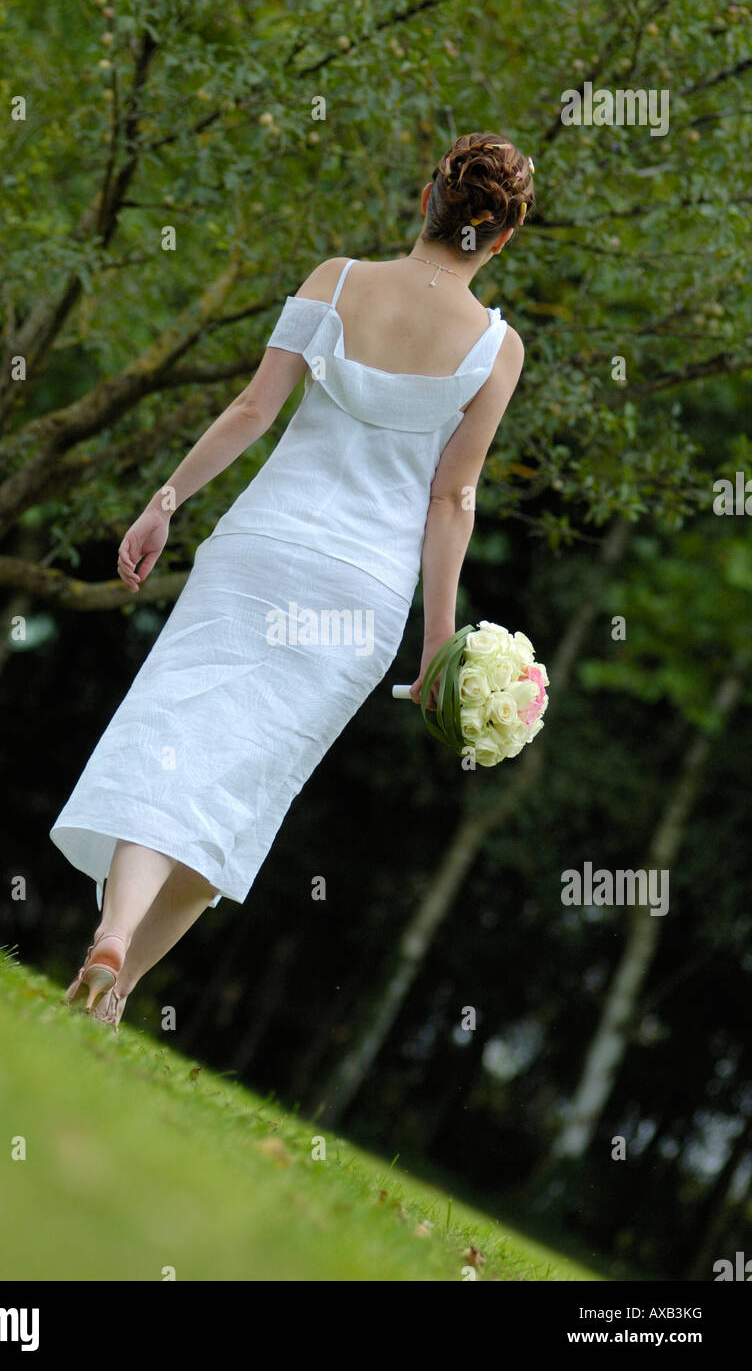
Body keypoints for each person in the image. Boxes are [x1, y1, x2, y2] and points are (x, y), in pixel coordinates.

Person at [51, 131, 533, 1028]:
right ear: (500, 238)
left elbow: (252, 409)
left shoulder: (337, 280)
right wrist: (438, 650)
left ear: (425, 197)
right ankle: (115, 992)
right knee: (243, 785)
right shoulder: (496, 352)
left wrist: (166, 501)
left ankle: (112, 936)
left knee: (173, 732)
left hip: (260, 550)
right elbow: (454, 497)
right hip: (362, 595)